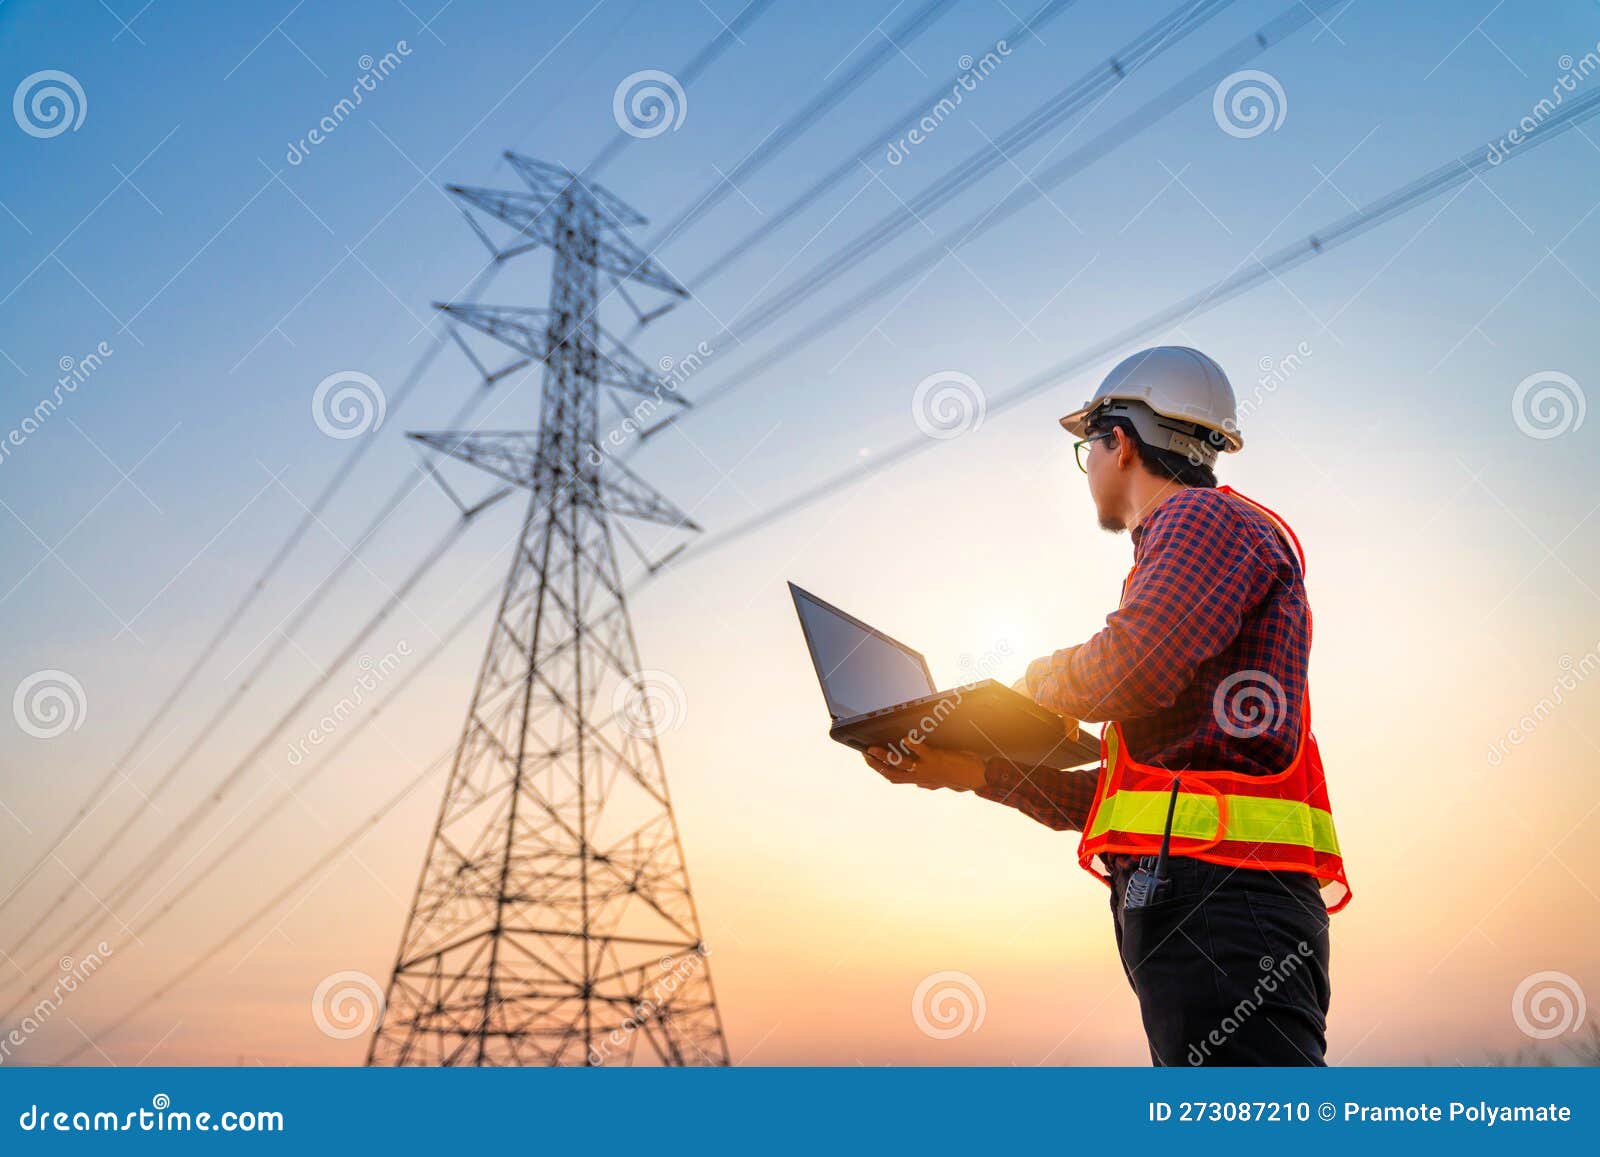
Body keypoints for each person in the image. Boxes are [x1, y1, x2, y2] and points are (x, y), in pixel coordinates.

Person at [864, 346, 1349, 1066]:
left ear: (1117, 442)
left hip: (1226, 907)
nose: (1086, 463)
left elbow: (1130, 668)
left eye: (1085, 444)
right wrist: (965, 770)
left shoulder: (1200, 523)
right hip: (1218, 904)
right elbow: (1121, 804)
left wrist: (1026, 685)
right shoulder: (1192, 550)